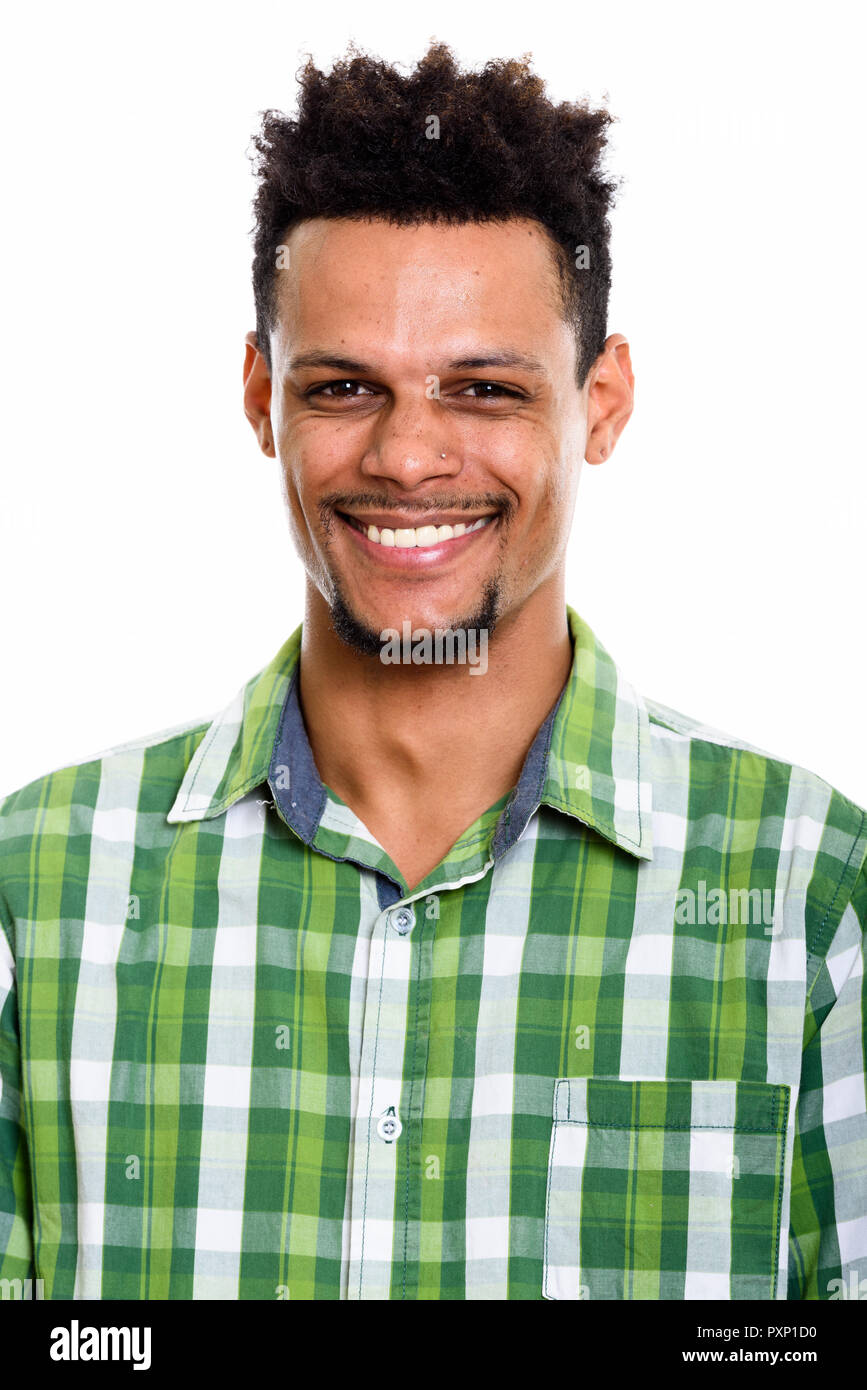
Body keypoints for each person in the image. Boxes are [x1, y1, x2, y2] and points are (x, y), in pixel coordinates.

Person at [1, 42, 864, 1302]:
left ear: (602, 401)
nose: (410, 457)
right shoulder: (40, 895)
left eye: (485, 389)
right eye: (346, 386)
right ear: (260, 398)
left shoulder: (807, 895)